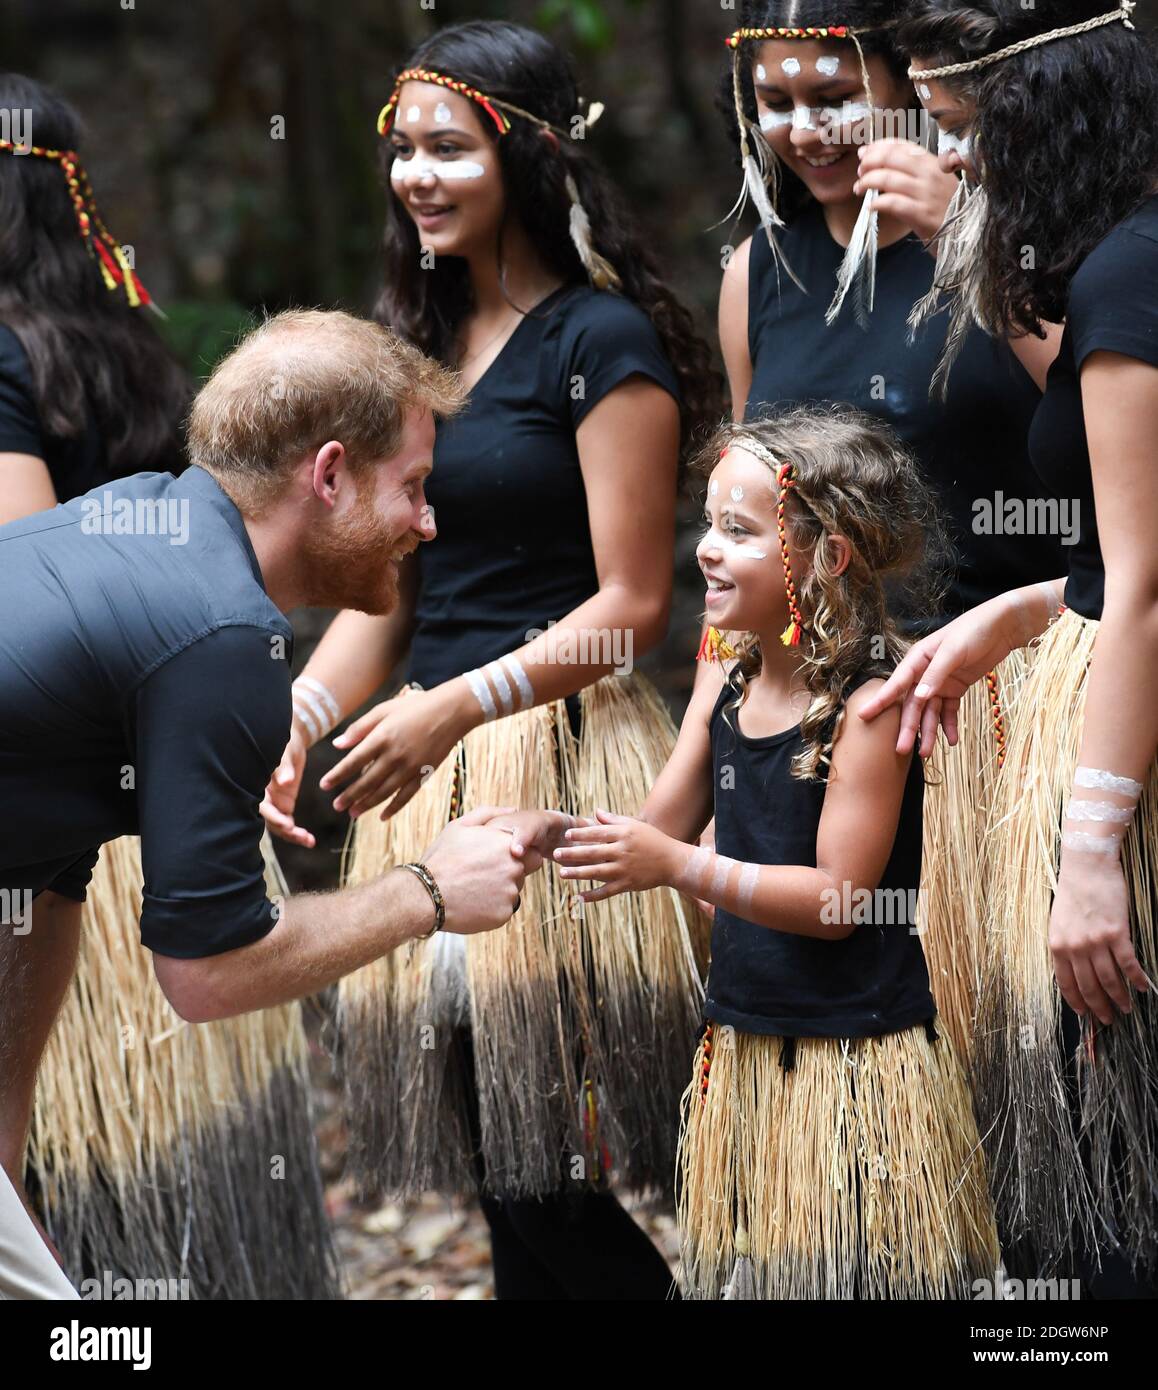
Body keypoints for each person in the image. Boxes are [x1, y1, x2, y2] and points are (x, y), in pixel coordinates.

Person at [261, 20, 722, 1299]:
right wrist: (304, 716)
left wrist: (455, 711)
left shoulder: (599, 344)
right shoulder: (410, 345)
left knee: (535, 1164)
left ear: (526, 155)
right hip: (436, 766)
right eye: (403, 149)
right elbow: (385, 600)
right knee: (492, 1152)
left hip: (552, 767)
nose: (417, 175)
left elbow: (632, 605)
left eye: (449, 149)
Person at [0, 307, 547, 1299]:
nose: (427, 525)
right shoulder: (222, 633)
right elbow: (205, 976)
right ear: (329, 474)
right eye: (414, 488)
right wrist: (427, 889)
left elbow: (40, 866)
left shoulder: (143, 525)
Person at [552, 405, 998, 1298]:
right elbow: (664, 818)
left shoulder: (871, 702)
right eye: (706, 524)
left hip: (853, 1065)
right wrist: (549, 836)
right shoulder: (729, 671)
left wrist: (682, 869)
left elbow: (837, 901)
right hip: (749, 1051)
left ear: (827, 555)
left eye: (738, 531)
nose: (705, 550)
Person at [863, 0, 1158, 1293]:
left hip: (1120, 780)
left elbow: (1150, 579)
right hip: (1089, 689)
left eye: (968, 129)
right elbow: (1114, 552)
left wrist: (1088, 853)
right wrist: (1024, 606)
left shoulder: (1129, 270)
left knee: (1104, 1184)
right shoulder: (1119, 258)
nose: (957, 161)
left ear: (1046, 112)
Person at [708, 0, 1065, 1057]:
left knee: (1005, 1053)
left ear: (908, 92)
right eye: (775, 102)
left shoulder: (1004, 226)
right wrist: (714, 726)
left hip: (992, 709)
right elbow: (744, 509)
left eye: (833, 97)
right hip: (829, 737)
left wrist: (964, 233)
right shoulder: (755, 272)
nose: (806, 128)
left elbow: (1098, 411)